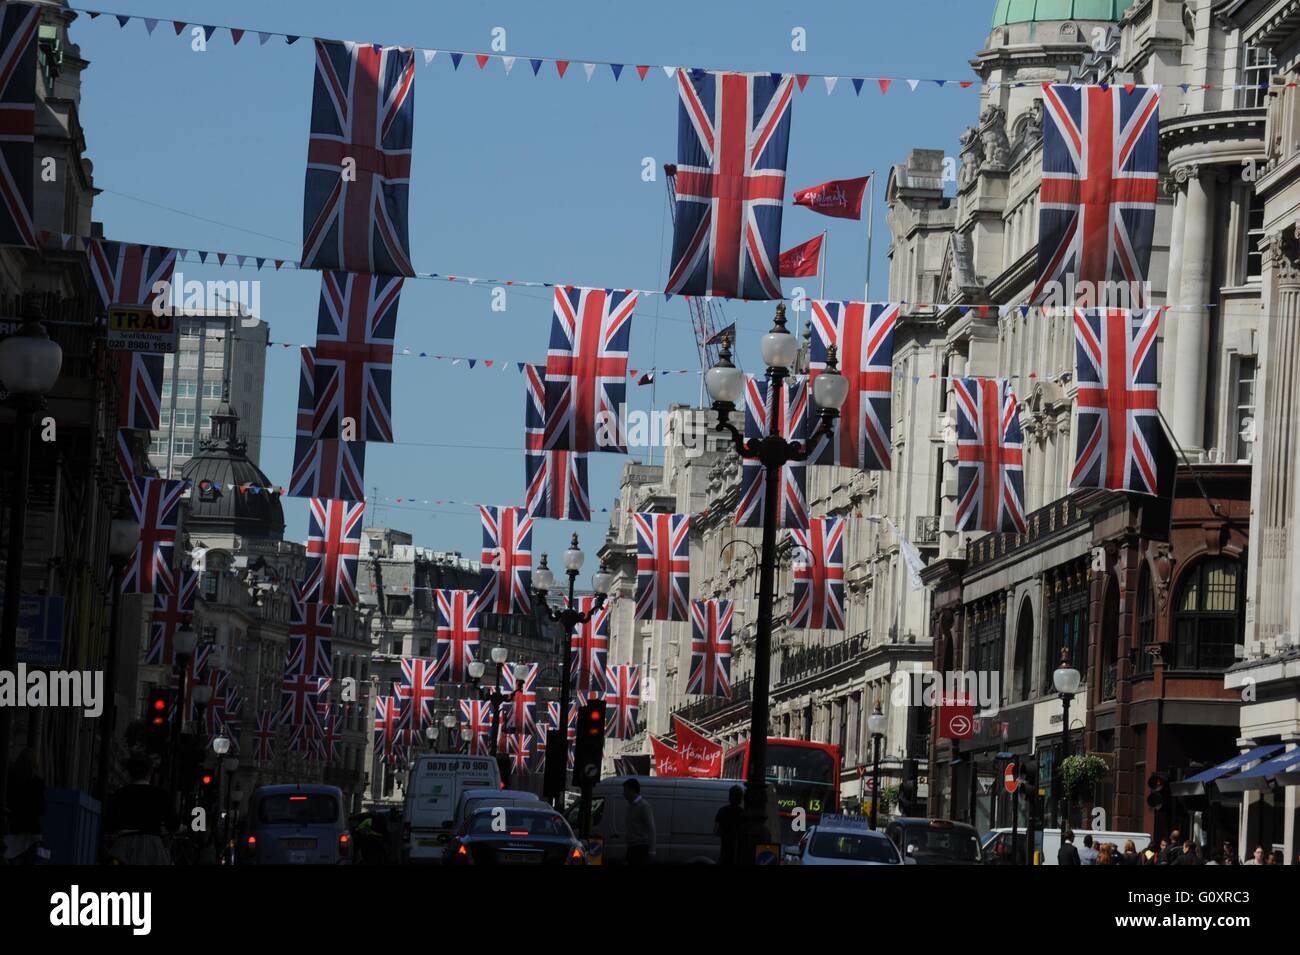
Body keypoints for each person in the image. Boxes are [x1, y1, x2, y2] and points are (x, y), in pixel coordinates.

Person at [102, 754, 178, 865]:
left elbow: (109, 825)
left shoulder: (120, 794)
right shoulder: (160, 795)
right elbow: (173, 824)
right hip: (153, 848)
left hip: (124, 848)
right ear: (150, 773)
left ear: (130, 772)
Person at [4, 748, 46, 864]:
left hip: (14, 829)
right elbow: (41, 808)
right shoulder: (36, 783)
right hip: (31, 832)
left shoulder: (12, 778)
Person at [622, 778, 655, 865]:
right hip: (631, 846)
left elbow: (651, 829)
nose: (623, 794)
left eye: (625, 791)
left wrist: (652, 851)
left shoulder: (644, 806)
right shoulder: (630, 806)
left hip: (641, 847)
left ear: (632, 790)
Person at [713, 785, 744, 865]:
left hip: (725, 854)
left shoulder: (722, 811)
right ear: (740, 798)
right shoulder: (743, 814)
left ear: (730, 797)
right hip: (739, 855)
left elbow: (716, 832)